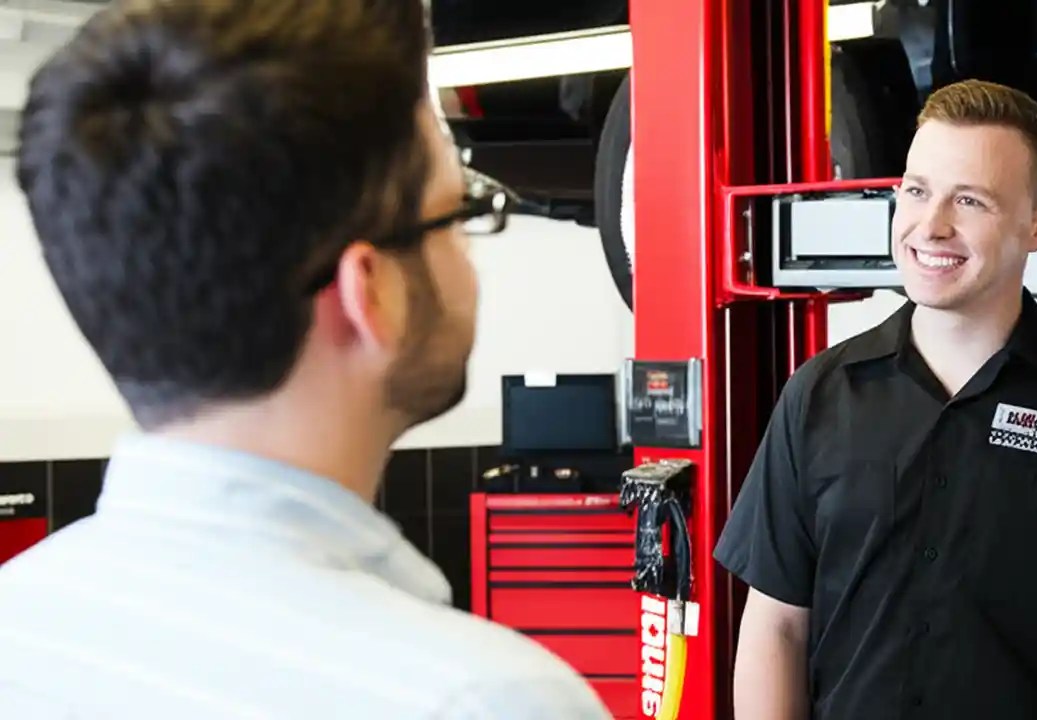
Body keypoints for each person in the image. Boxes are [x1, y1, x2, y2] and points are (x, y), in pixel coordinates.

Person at [0, 1, 611, 718]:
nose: (471, 259)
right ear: (370, 293)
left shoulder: (19, 623)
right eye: (463, 213)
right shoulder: (482, 699)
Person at [714, 78, 1037, 720]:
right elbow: (776, 629)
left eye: (971, 201)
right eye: (917, 191)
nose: (932, 226)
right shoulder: (819, 395)